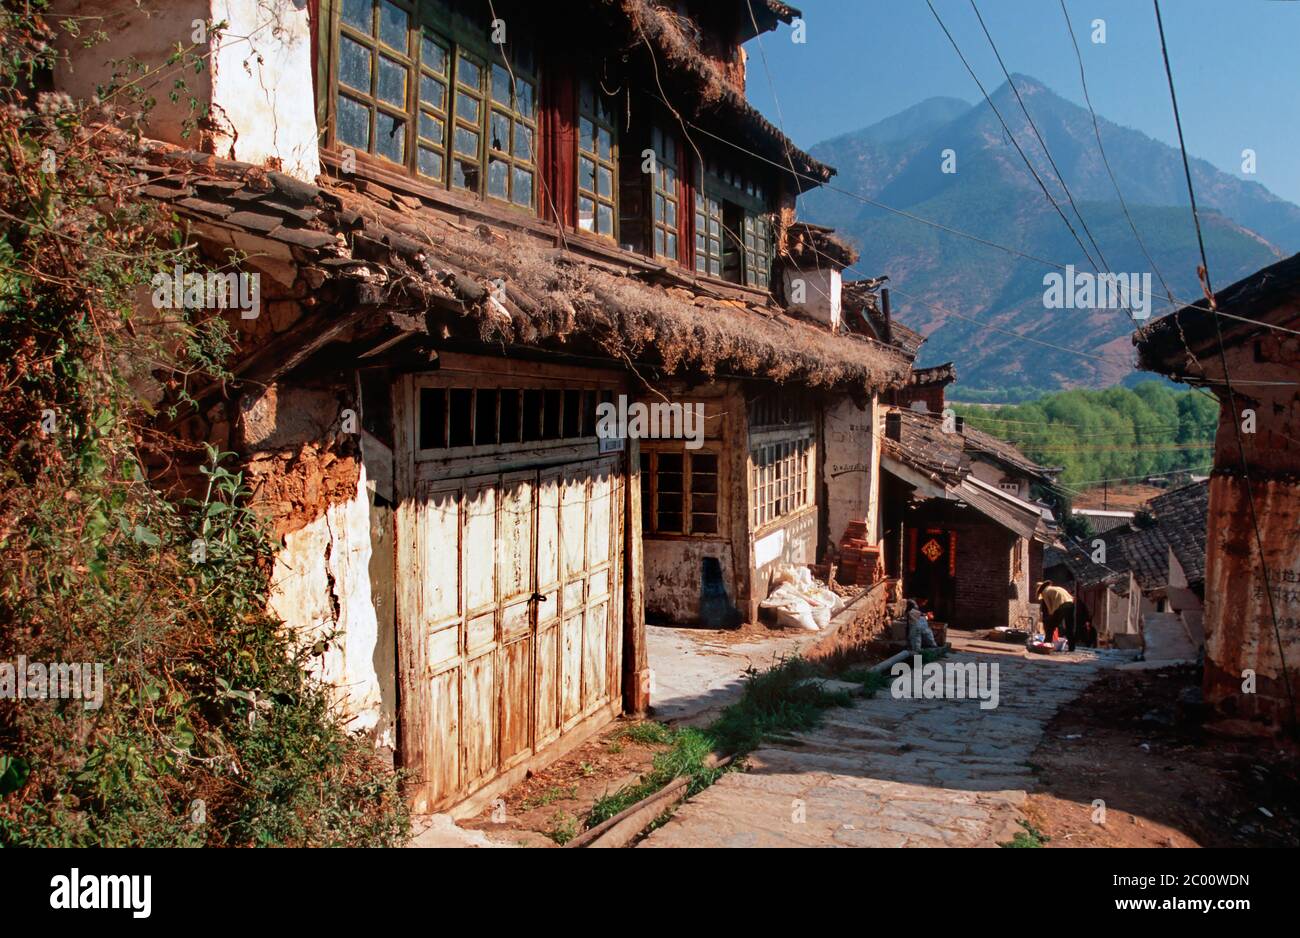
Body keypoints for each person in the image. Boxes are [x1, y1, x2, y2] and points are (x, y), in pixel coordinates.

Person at [1036, 579, 1077, 651]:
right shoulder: (1056, 588)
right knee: (1069, 627)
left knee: (1049, 625)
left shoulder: (1045, 592)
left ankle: (1047, 644)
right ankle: (1072, 647)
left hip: (1061, 606)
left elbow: (1050, 607)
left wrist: (1050, 617)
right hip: (1070, 604)